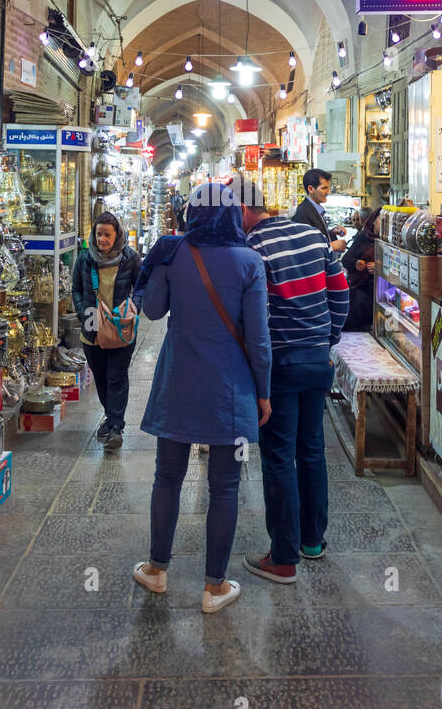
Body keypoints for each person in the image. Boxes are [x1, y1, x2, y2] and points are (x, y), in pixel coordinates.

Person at [134, 182, 272, 614]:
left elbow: (152, 310)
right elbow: (259, 339)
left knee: (167, 477)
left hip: (177, 386)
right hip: (228, 393)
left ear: (190, 214)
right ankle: (214, 587)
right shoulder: (249, 261)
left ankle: (157, 569)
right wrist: (263, 393)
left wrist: (158, 260)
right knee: (225, 486)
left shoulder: (174, 253)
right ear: (233, 215)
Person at [232, 175, 349, 582]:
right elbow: (340, 291)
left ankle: (283, 557)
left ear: (245, 210)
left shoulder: (252, 248)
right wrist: (327, 339)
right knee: (312, 449)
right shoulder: (313, 236)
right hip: (317, 360)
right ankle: (313, 541)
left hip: (281, 364)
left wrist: (257, 375)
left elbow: (257, 319)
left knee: (279, 455)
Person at [72, 212, 142, 450]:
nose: (102, 239)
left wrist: (133, 308)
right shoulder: (85, 258)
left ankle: (115, 427)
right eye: (98, 234)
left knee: (117, 377)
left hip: (120, 330)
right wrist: (83, 312)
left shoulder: (129, 258)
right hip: (91, 331)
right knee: (100, 378)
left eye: (107, 235)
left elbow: (142, 287)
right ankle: (111, 419)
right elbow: (76, 290)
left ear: (117, 235)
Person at [342, 206, 381, 332]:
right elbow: (346, 259)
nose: (385, 223)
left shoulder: (390, 241)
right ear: (374, 220)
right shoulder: (364, 236)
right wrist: (356, 263)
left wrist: (379, 267)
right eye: (382, 219)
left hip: (378, 295)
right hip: (358, 291)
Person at [293, 168, 347, 252]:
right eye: (324, 188)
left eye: (328, 188)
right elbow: (304, 248)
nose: (328, 192)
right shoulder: (303, 213)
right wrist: (332, 246)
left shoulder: (315, 209)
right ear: (311, 189)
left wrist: (331, 233)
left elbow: (316, 238)